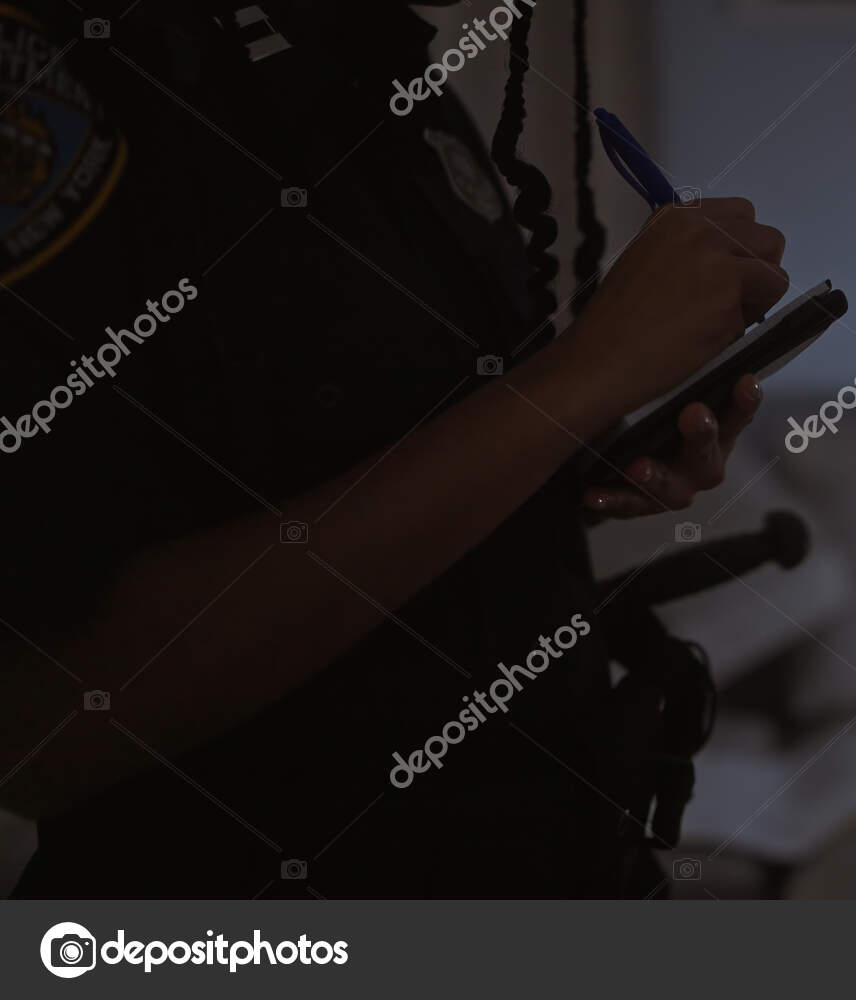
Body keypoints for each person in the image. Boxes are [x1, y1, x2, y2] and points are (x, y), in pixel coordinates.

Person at [0, 0, 787, 897]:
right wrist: (579, 381)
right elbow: (46, 728)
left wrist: (578, 440)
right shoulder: (66, 71)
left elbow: (380, 440)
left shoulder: (365, 52)